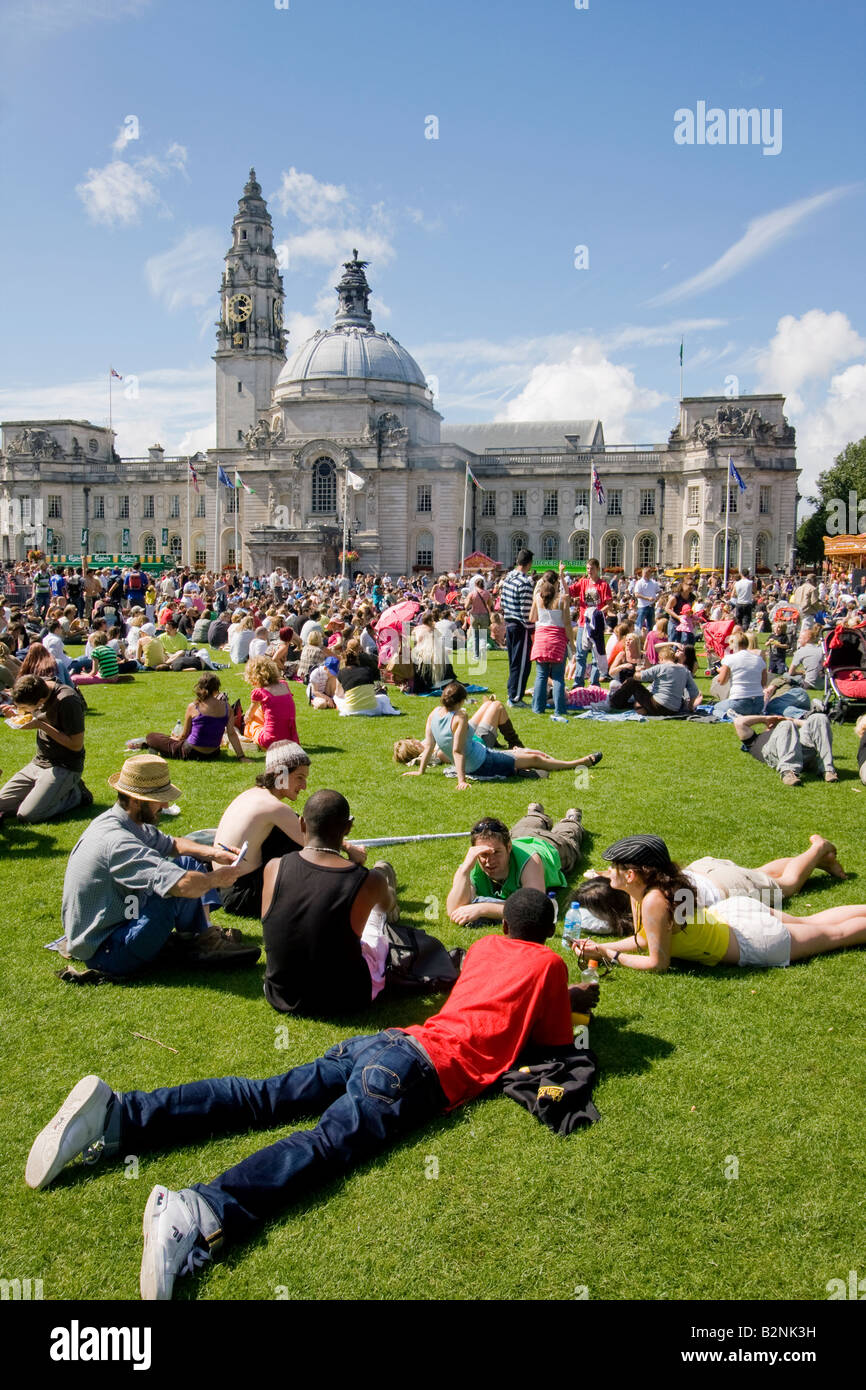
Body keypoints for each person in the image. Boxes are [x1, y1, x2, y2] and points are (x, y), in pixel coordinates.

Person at [26, 887, 596, 1300]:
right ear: (546, 934)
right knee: (328, 1145)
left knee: (262, 1096)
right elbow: (551, 1037)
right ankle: (198, 1211)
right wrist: (580, 998)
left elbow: (499, 985)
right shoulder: (547, 964)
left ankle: (120, 1113)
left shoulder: (486, 951)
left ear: (505, 927)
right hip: (421, 1072)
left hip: (383, 1044)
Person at [57, 754, 259, 980]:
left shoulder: (123, 821)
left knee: (187, 862)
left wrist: (213, 853)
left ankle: (201, 936)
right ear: (136, 801)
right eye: (159, 799)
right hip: (107, 951)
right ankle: (200, 944)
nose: (165, 805)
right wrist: (216, 879)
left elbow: (172, 844)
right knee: (171, 890)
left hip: (119, 919)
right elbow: (181, 885)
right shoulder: (119, 843)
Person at [573, 834, 865, 974]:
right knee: (814, 921)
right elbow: (645, 938)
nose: (609, 872)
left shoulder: (653, 901)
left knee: (836, 935)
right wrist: (596, 947)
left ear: (632, 874)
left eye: (614, 867)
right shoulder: (648, 891)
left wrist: (610, 953)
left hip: (752, 939)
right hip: (734, 915)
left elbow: (657, 962)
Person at [260, 789, 397, 1016]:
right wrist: (382, 889)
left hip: (282, 994)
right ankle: (386, 882)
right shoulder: (366, 879)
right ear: (348, 827)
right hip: (345, 999)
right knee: (375, 921)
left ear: (302, 824)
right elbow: (386, 906)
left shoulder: (274, 867)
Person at [404, 681, 602, 790]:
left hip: (482, 753)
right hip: (483, 763)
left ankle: (533, 763)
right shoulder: (460, 716)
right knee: (534, 758)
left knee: (528, 754)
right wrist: (461, 780)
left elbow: (429, 746)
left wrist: (421, 771)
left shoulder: (433, 714)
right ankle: (577, 763)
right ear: (461, 701)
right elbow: (457, 750)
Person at [215, 742, 311, 918]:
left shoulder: (251, 795)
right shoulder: (273, 807)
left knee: (285, 839)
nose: (304, 786)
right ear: (281, 774)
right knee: (305, 858)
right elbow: (314, 843)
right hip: (242, 894)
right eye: (299, 777)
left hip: (222, 886)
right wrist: (349, 848)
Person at [446, 805, 583, 925]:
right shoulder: (472, 863)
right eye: (484, 854)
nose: (490, 860)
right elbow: (454, 909)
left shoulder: (530, 860)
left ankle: (571, 820)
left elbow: (533, 907)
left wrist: (482, 909)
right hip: (519, 835)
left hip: (549, 845)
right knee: (524, 826)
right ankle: (535, 813)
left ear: (509, 847)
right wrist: (464, 870)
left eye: (496, 852)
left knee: (567, 836)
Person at [0, 673, 90, 822]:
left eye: (23, 707)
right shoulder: (36, 686)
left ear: (41, 701)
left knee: (27, 815)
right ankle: (43, 794)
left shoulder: (67, 700)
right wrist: (14, 715)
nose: (21, 709)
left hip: (64, 765)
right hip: (39, 762)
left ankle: (76, 794)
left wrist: (40, 725)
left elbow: (76, 745)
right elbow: (31, 710)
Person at [138, 673, 248, 762]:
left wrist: (174, 739)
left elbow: (184, 735)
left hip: (191, 751)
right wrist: (241, 756)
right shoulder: (227, 707)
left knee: (152, 736)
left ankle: (158, 747)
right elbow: (231, 733)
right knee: (169, 739)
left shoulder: (194, 706)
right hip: (214, 753)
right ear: (217, 688)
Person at [732, 711, 838, 786]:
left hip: (799, 750)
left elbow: (815, 726)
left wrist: (792, 720)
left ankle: (827, 769)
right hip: (775, 754)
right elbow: (739, 722)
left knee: (819, 717)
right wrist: (766, 718)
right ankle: (788, 772)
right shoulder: (753, 740)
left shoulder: (792, 729)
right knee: (786, 725)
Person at [608, 643, 701, 716]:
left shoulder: (661, 667)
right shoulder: (685, 670)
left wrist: (635, 670)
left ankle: (613, 703)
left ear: (661, 658)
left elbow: (639, 677)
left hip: (658, 705)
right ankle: (625, 704)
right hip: (673, 709)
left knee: (631, 682)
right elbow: (694, 691)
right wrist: (690, 707)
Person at [529, 564, 573, 718]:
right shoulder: (562, 600)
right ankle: (559, 709)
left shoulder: (538, 598)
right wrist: (572, 645)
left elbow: (532, 618)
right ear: (556, 583)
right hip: (557, 640)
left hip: (541, 639)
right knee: (558, 676)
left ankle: (537, 708)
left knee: (541, 675)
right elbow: (567, 623)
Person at [501, 547, 536, 707]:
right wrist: (532, 629)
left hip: (509, 623)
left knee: (513, 662)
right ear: (528, 564)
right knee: (522, 664)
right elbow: (526, 610)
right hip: (521, 626)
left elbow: (502, 603)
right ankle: (515, 697)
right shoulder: (525, 583)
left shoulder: (507, 579)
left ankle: (512, 692)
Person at [243, 656, 299, 749]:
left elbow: (249, 715)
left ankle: (246, 739)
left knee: (250, 722)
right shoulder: (284, 685)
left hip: (270, 740)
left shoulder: (260, 692)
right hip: (290, 738)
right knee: (263, 711)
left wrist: (246, 718)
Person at [711, 632, 768, 719]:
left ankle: (731, 716)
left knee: (716, 708)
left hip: (740, 701)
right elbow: (763, 683)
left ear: (734, 644)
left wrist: (723, 673)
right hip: (758, 703)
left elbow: (721, 681)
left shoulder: (729, 659)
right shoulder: (759, 659)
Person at [633, 567, 661, 633]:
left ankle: (649, 640)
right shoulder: (639, 582)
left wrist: (657, 598)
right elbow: (636, 594)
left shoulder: (654, 582)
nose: (645, 574)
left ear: (650, 573)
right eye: (644, 573)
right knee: (639, 625)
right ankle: (637, 638)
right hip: (642, 606)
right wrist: (647, 598)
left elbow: (660, 592)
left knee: (651, 626)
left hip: (651, 606)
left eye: (647, 573)